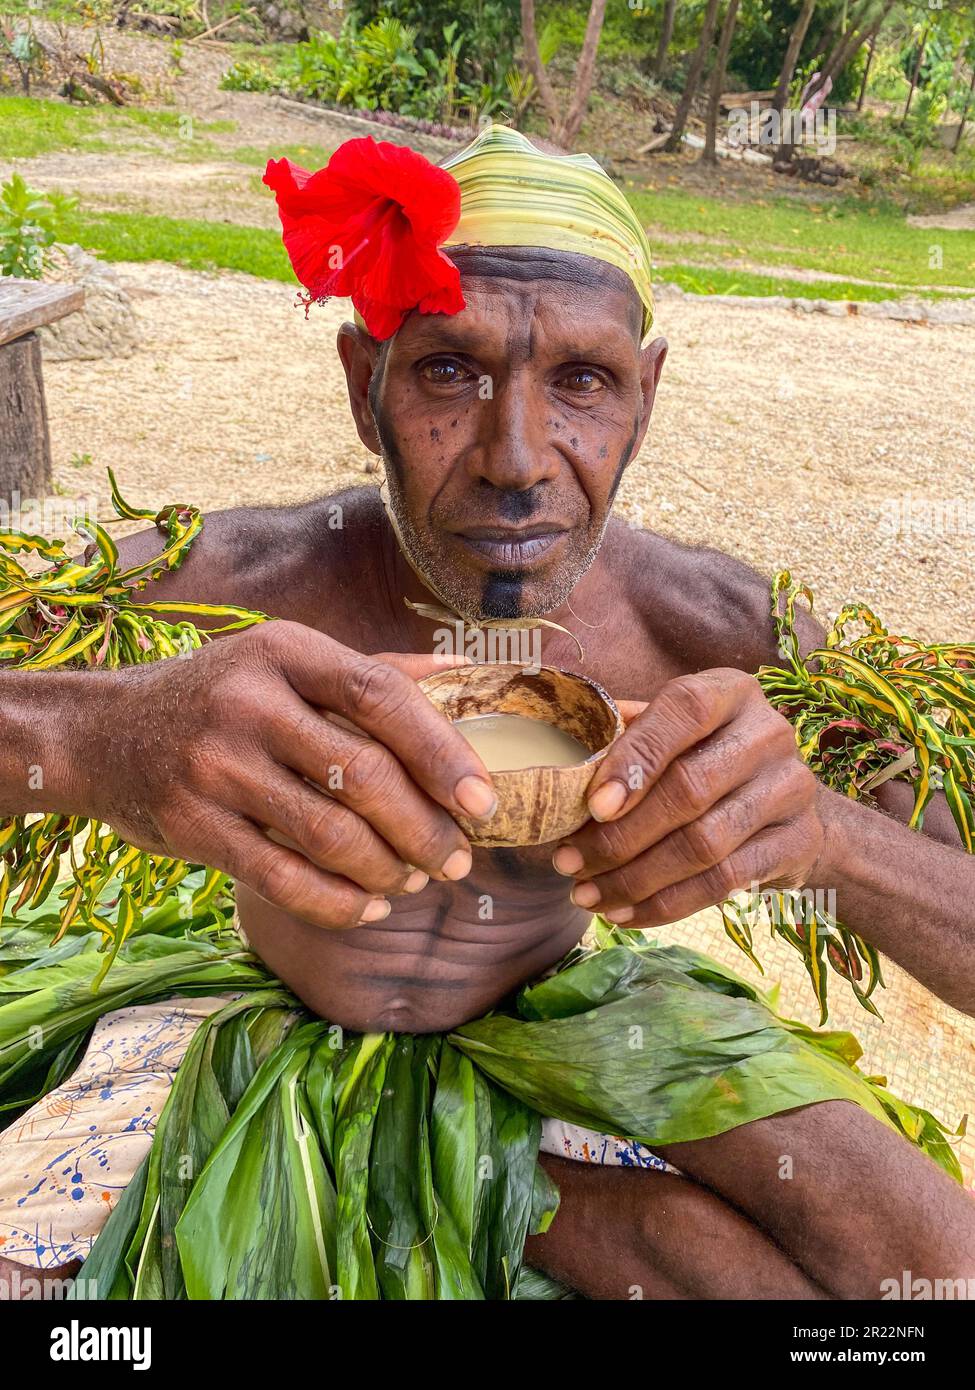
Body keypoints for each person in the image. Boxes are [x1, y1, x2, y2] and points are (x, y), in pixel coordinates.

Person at [1, 126, 973, 1301]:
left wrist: (821, 834)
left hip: (574, 1027)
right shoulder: (239, 582)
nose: (518, 459)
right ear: (366, 386)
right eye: (449, 371)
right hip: (254, 1013)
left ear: (646, 398)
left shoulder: (713, 631)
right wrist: (93, 741)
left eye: (582, 380)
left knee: (938, 1275)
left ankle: (517, 1195)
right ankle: (499, 1194)